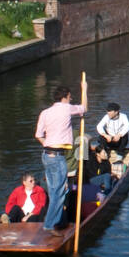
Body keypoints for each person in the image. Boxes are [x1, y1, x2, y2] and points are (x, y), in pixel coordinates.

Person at [35, 81, 87, 232]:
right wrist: (84, 90)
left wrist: (49, 144)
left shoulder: (45, 112)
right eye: (70, 97)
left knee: (54, 191)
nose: (70, 99)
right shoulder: (65, 108)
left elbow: (38, 135)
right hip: (57, 157)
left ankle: (58, 220)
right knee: (59, 193)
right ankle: (49, 225)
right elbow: (84, 109)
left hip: (46, 155)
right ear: (65, 97)